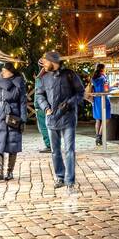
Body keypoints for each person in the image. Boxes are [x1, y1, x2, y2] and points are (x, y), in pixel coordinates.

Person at [36, 51, 84, 189]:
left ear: (53, 62)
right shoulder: (43, 77)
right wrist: (46, 108)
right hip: (51, 118)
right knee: (55, 150)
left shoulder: (70, 74)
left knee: (69, 150)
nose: (43, 64)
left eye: (45, 61)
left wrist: (69, 103)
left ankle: (70, 181)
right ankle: (60, 177)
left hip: (68, 118)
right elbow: (39, 95)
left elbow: (80, 93)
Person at [0, 63, 26, 181]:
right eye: (2, 70)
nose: (3, 73)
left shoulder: (19, 83)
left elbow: (23, 102)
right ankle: (0, 172)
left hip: (13, 116)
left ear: (11, 72)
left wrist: (23, 119)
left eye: (5, 70)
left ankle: (10, 172)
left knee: (12, 144)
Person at [32, 63, 53, 153]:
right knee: (50, 126)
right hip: (49, 105)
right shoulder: (51, 77)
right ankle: (53, 144)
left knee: (43, 127)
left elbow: (38, 95)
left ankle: (49, 145)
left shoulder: (40, 79)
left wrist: (37, 105)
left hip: (41, 106)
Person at [91, 63, 112, 146]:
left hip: (96, 100)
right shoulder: (103, 78)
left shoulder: (94, 78)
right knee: (106, 119)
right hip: (104, 100)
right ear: (102, 69)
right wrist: (112, 87)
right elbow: (106, 89)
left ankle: (97, 137)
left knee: (98, 119)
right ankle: (99, 137)